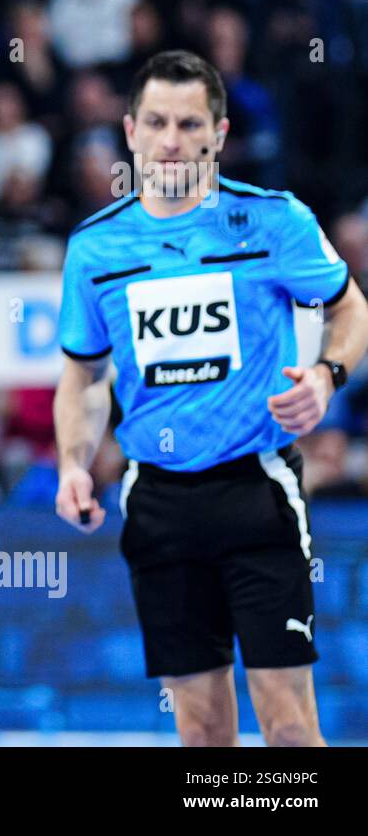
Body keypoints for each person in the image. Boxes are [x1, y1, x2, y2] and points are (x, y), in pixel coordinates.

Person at [53, 50, 368, 746]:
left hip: (255, 490)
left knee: (288, 728)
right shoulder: (96, 248)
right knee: (200, 736)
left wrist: (325, 376)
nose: (172, 140)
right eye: (157, 122)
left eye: (190, 123)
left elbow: (351, 310)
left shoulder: (273, 222)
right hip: (158, 503)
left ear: (219, 134)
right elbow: (81, 374)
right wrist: (74, 463)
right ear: (129, 132)